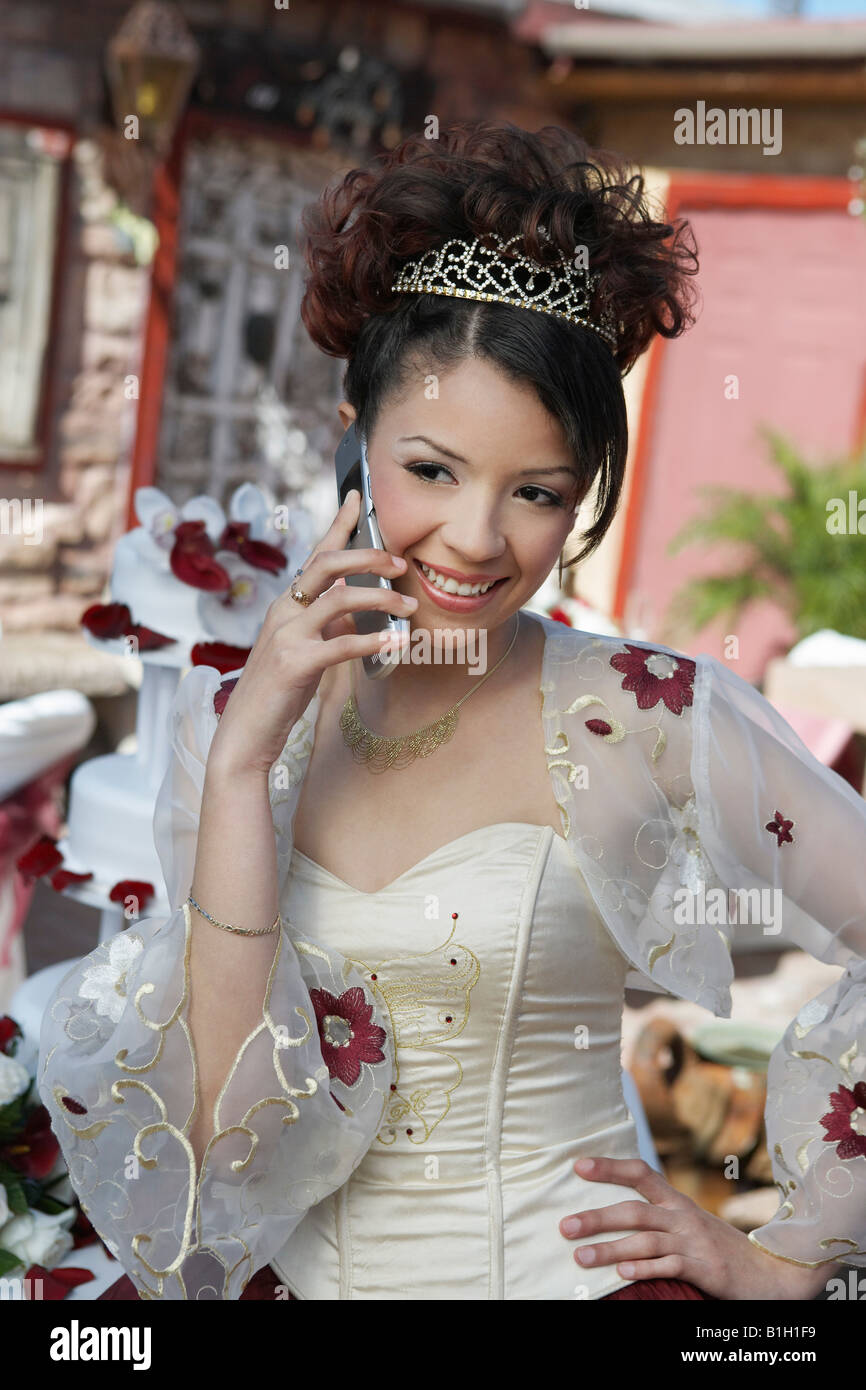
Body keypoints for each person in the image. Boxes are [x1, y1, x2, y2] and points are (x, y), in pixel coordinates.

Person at [39, 121, 866, 1301]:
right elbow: (222, 1145)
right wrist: (238, 770)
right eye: (430, 470)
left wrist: (790, 1254)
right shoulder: (239, 724)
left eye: (534, 492)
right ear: (354, 442)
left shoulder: (644, 714)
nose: (477, 540)